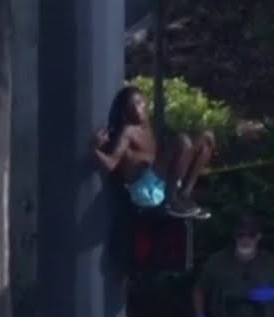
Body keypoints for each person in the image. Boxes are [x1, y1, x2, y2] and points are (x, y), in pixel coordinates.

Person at [92, 85, 216, 220]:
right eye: (131, 107)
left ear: (146, 103)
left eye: (139, 103)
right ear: (126, 112)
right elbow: (111, 163)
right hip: (145, 190)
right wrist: (94, 149)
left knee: (206, 140)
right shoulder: (129, 131)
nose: (136, 110)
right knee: (182, 141)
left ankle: (184, 196)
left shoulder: (150, 127)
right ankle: (172, 201)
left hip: (161, 183)